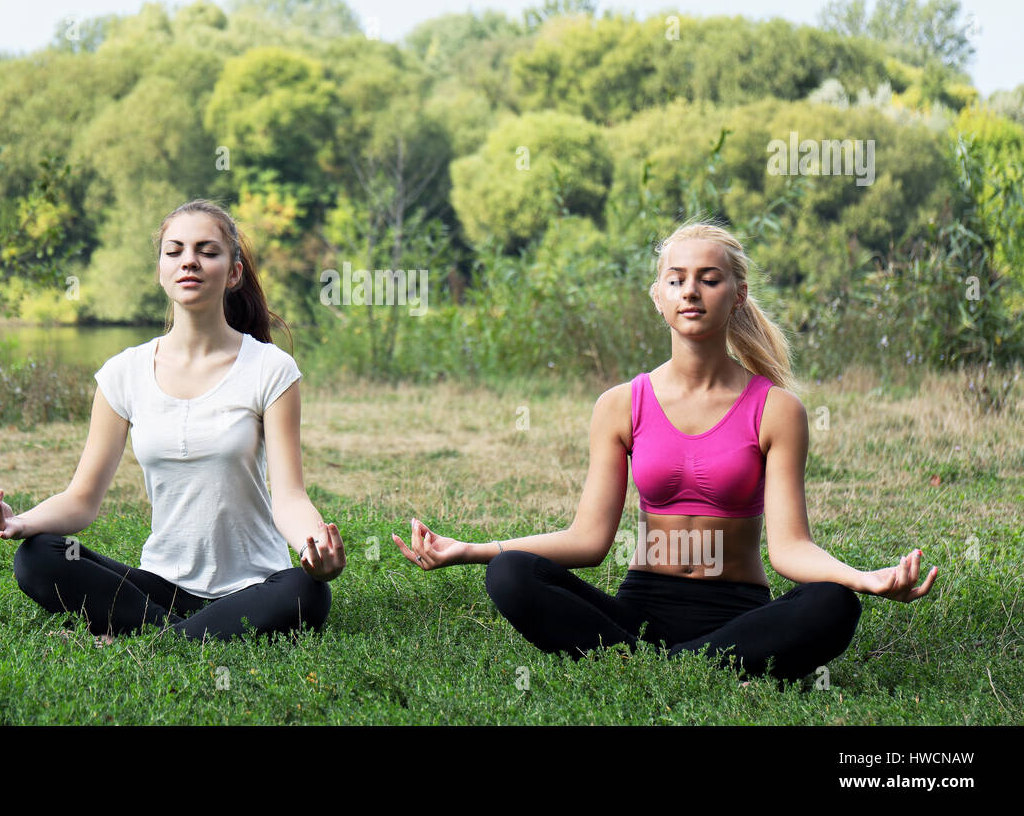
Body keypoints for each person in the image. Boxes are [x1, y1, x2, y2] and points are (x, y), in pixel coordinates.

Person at [393, 219, 937, 684]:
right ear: (659, 298)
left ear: (738, 294)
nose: (690, 292)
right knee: (511, 575)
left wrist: (862, 578)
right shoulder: (619, 405)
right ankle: (688, 666)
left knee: (833, 605)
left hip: (737, 616)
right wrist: (469, 550)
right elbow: (587, 541)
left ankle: (656, 668)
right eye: (676, 280)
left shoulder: (776, 409)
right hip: (639, 612)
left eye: (709, 279)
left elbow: (790, 550)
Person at [0, 199, 344, 644]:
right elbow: (81, 499)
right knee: (37, 556)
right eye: (175, 251)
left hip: (256, 586)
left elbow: (289, 496)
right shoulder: (122, 373)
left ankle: (148, 639)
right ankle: (183, 636)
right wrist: (22, 523)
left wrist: (313, 546)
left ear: (233, 273)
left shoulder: (271, 368)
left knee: (308, 590)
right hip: (162, 587)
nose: (190, 260)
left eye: (208, 251)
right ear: (161, 270)